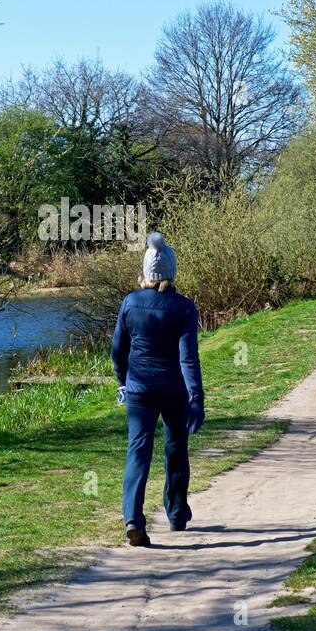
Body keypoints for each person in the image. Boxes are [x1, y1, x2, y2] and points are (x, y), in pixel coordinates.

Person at [110, 231, 205, 547]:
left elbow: (117, 350)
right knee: (176, 449)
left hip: (139, 390)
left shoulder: (130, 303)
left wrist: (123, 382)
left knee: (138, 452)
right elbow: (188, 358)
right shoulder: (183, 308)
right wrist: (196, 399)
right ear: (171, 272)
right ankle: (177, 515)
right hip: (174, 391)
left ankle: (133, 519)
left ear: (146, 272)